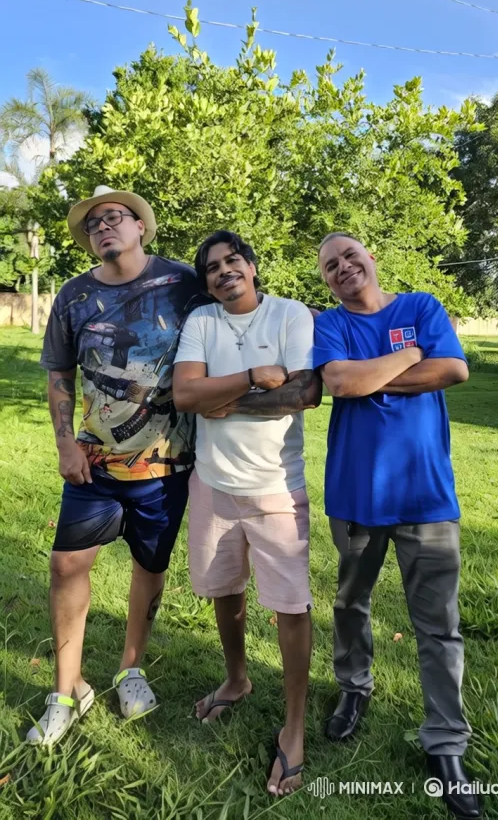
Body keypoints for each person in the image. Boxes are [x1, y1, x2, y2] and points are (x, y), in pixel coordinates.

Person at [313, 233, 481, 820]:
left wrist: (375, 371)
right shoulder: (328, 325)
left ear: (371, 257)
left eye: (350, 256)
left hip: (427, 494)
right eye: (331, 266)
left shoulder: (421, 307)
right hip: (356, 494)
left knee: (439, 625)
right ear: (327, 280)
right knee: (351, 602)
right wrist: (412, 357)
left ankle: (445, 744)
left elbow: (455, 369)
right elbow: (340, 383)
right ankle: (354, 690)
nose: (343, 268)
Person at [28, 185, 203, 746]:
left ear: (140, 227)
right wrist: (64, 444)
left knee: (149, 567)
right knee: (66, 565)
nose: (103, 226)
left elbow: (237, 317)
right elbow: (59, 373)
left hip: (167, 463)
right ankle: (67, 689)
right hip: (95, 463)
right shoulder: (74, 296)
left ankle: (130, 670)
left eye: (114, 217)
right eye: (93, 223)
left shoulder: (183, 283)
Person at [173, 230, 321, 797]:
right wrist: (254, 378)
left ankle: (295, 728)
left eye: (232, 261)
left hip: (276, 489)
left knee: (289, 606)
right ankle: (237, 680)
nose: (222, 272)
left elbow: (304, 393)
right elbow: (185, 397)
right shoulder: (203, 322)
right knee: (224, 590)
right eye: (211, 268)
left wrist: (221, 400)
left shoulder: (289, 317)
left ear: (253, 267)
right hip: (212, 486)